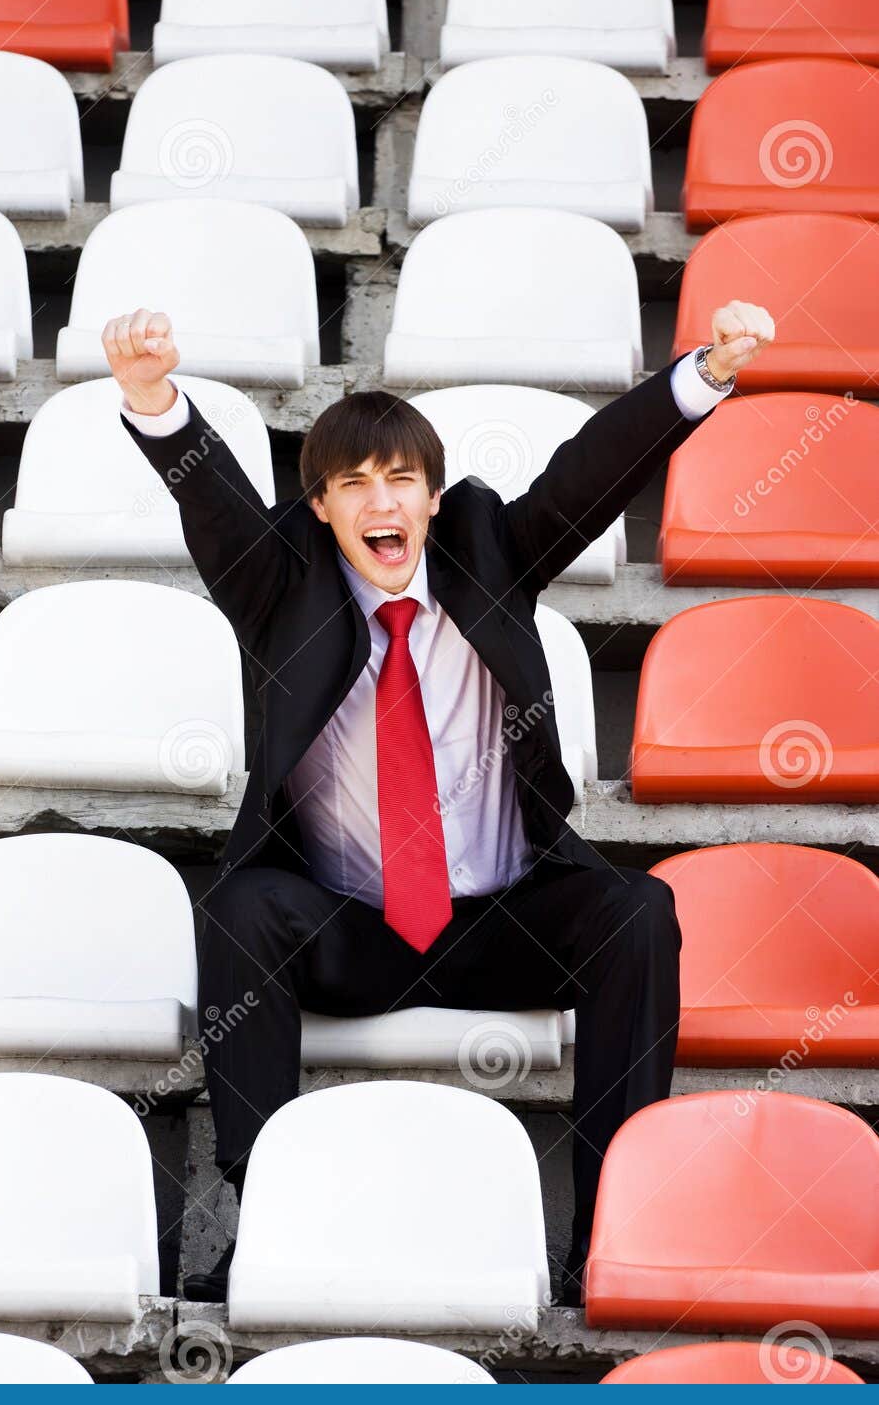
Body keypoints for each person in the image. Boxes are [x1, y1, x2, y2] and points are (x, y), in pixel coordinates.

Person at [103, 299, 774, 1305]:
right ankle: (269, 1216)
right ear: (323, 507)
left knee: (638, 911)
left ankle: (608, 1234)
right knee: (239, 906)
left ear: (427, 497)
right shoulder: (280, 589)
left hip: (503, 918)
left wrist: (704, 374)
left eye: (401, 479)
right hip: (351, 927)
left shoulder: (487, 555)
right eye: (354, 484)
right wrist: (154, 400)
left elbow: (590, 476)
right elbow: (220, 510)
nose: (383, 500)